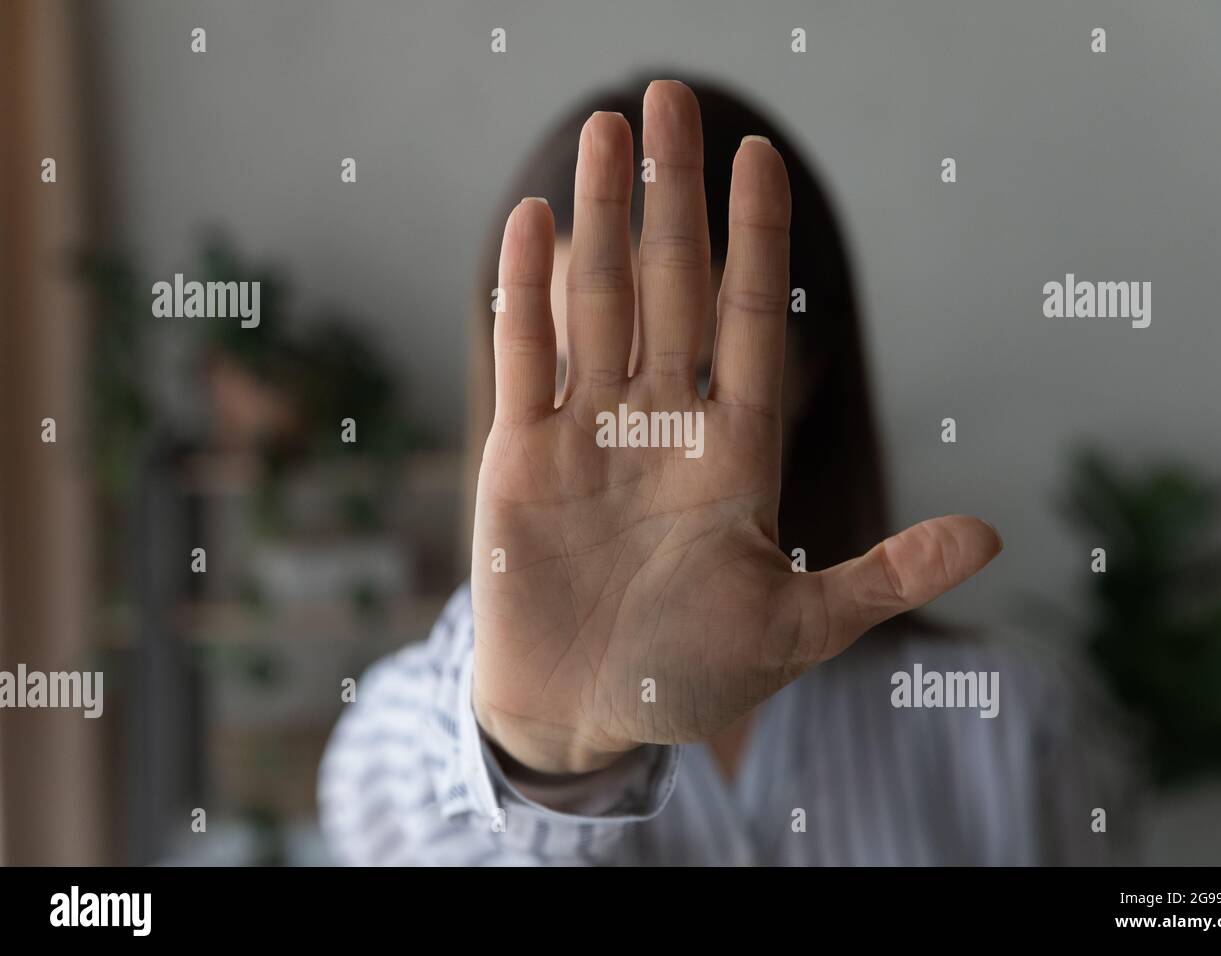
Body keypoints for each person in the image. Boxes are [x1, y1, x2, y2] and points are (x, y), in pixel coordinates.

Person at [318, 76, 1119, 865]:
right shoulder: (410, 738)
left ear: (807, 371)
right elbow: (383, 814)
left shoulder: (1007, 726)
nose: (624, 447)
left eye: (692, 381)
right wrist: (541, 748)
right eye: (567, 381)